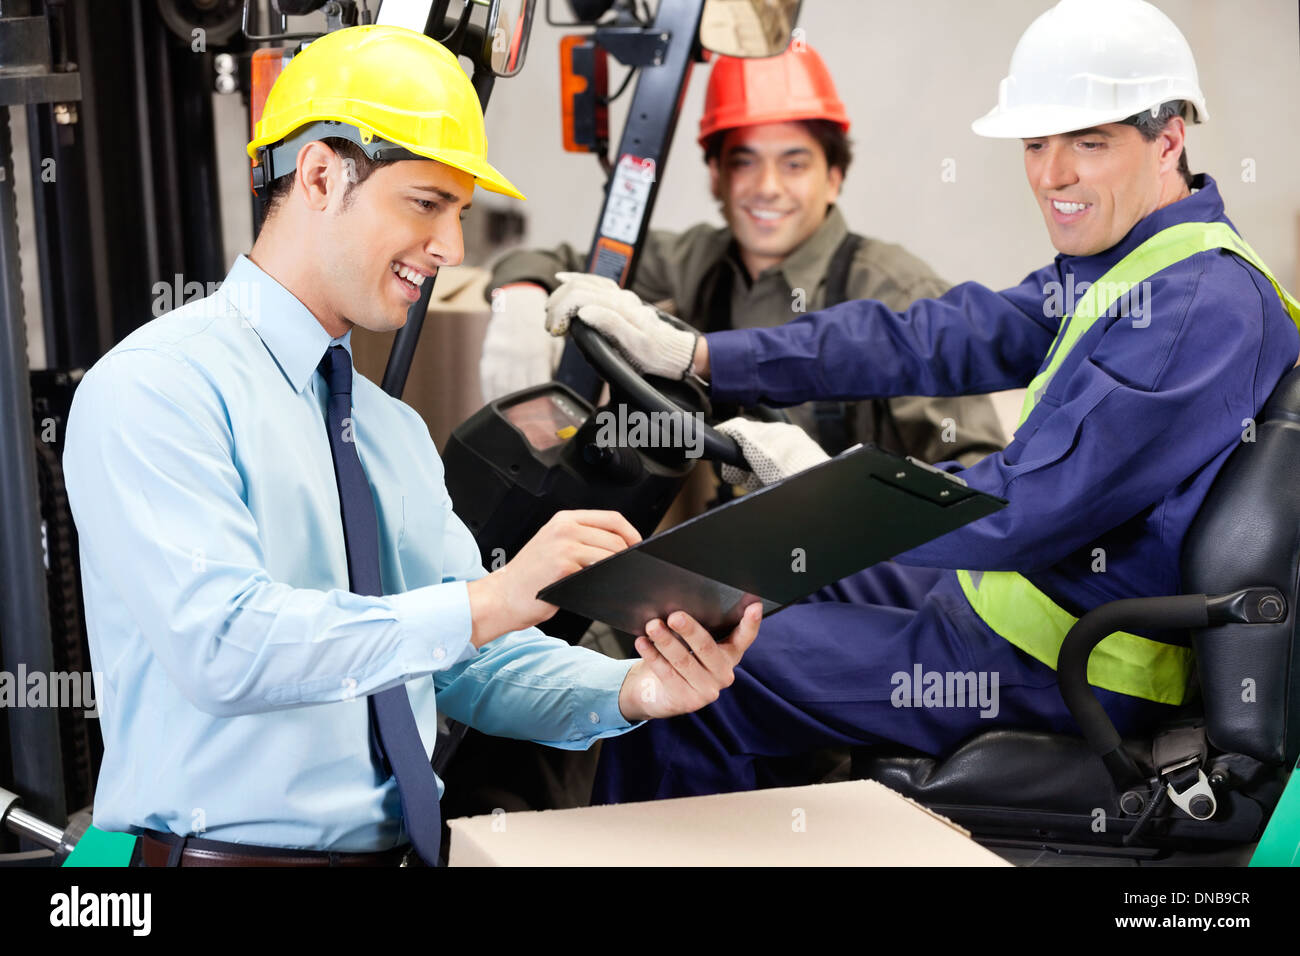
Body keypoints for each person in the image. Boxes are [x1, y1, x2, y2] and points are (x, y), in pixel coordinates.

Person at [543, 0, 1300, 802]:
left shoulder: (1195, 308)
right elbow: (934, 337)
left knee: (697, 682)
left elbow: (1028, 510)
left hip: (1068, 657)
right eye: (1035, 144)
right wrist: (702, 356)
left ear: (1168, 141)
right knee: (702, 588)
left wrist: (833, 490)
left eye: (1088, 143)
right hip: (1007, 598)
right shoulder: (1138, 265)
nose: (1052, 175)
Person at [61, 24, 760, 866]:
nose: (452, 248)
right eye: (426, 204)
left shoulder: (388, 430)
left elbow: (467, 666)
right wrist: (489, 600)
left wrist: (637, 687)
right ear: (320, 175)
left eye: (458, 212)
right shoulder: (159, 386)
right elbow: (224, 646)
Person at [481, 43, 1006, 468]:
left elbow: (971, 478)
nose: (767, 187)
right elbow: (567, 260)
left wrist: (850, 505)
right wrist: (521, 298)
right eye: (744, 162)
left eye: (794, 164)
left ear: (834, 177)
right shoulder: (698, 260)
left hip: (866, 557)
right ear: (716, 177)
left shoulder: (897, 292)